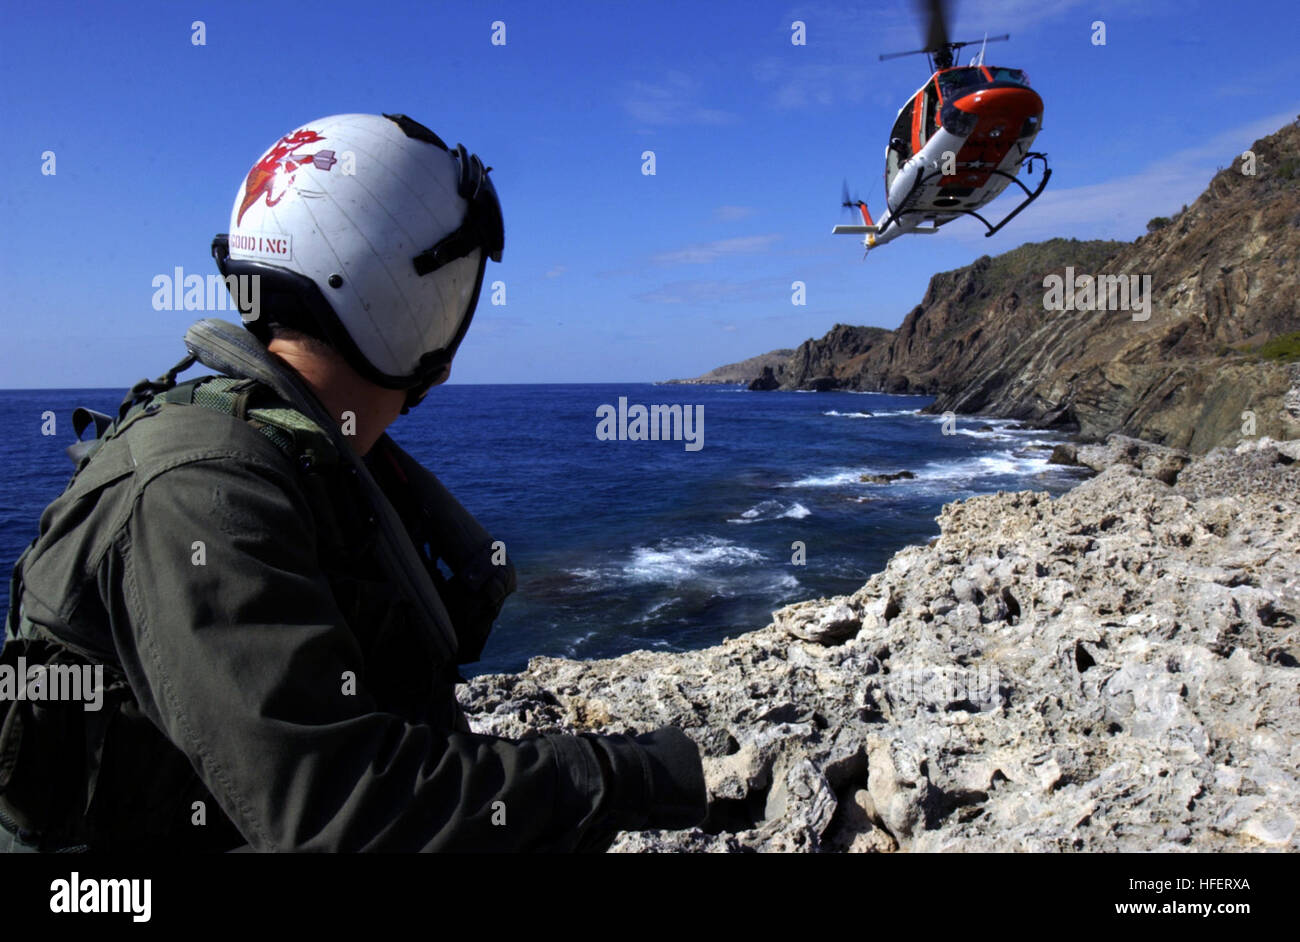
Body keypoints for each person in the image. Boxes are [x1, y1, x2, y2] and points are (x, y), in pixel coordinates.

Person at [1, 113, 707, 852]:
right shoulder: (199, 492)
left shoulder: (311, 454)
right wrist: (621, 778)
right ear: (421, 299)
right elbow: (341, 812)